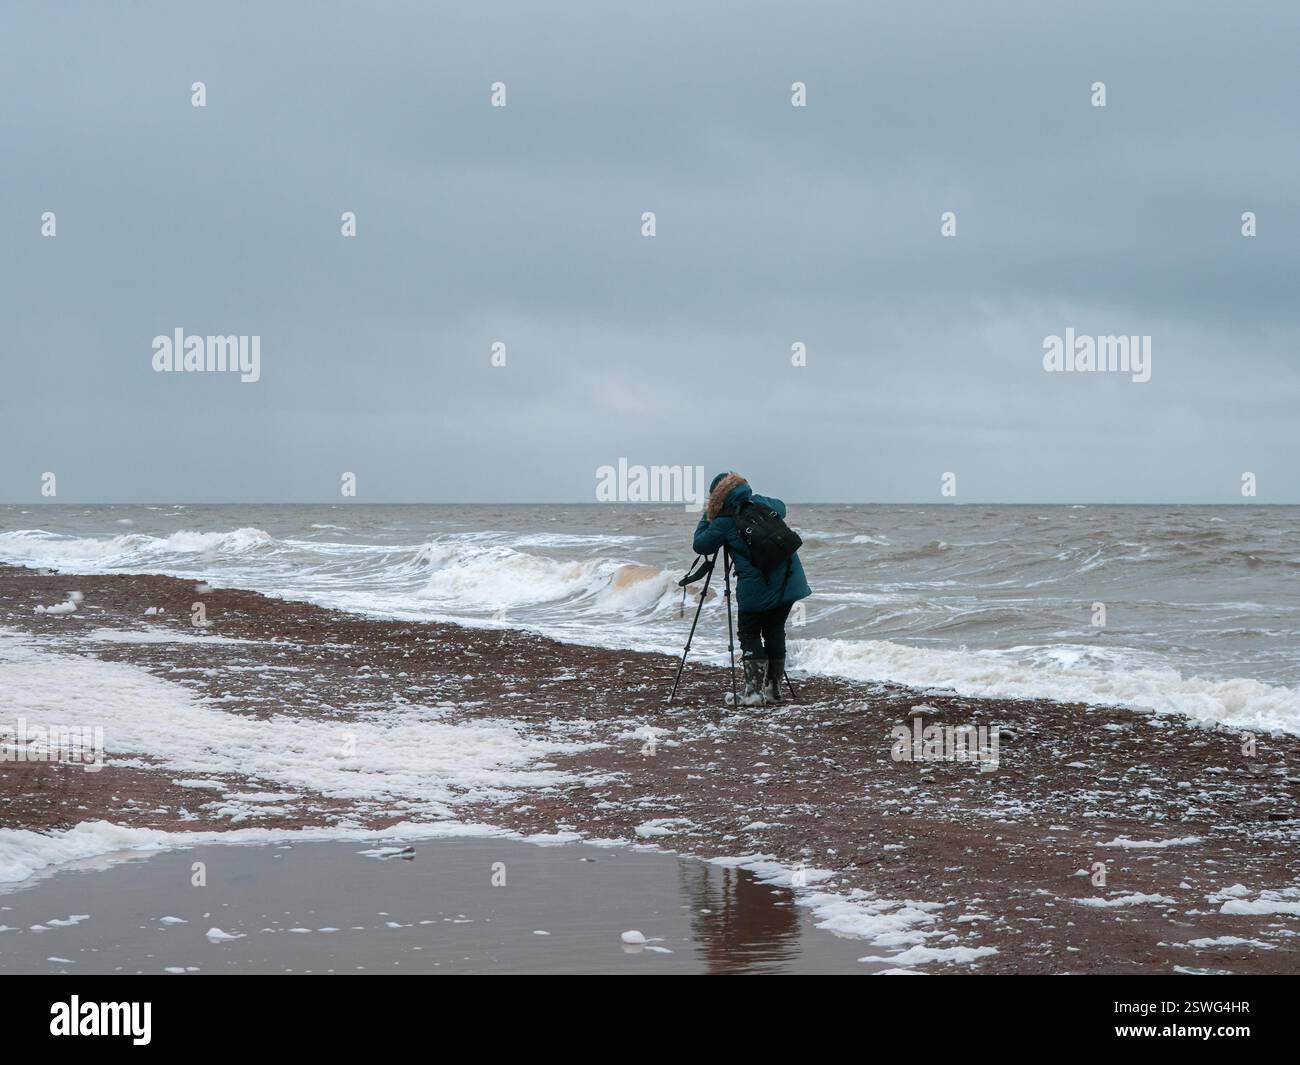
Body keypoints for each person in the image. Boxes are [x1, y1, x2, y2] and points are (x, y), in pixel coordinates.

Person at [692, 472, 811, 705]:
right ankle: (774, 691)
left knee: (749, 633)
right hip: (791, 580)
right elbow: (782, 507)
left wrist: (708, 514)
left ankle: (753, 694)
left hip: (757, 587)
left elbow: (700, 544)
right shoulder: (760, 502)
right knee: (775, 630)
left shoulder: (724, 521)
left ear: (716, 497)